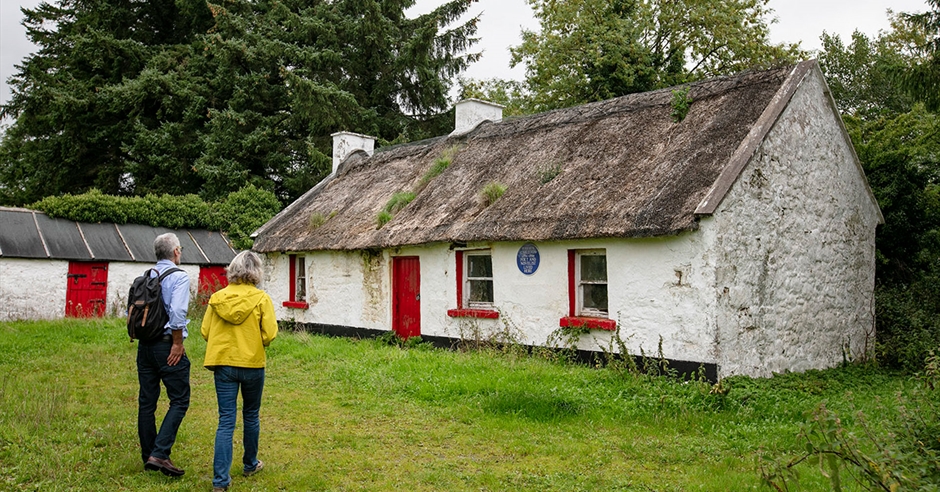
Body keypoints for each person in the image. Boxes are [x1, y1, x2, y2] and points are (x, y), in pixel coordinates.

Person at [201, 250, 278, 492]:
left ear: (232, 270)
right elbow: (270, 334)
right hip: (253, 363)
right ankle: (250, 463)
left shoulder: (216, 299)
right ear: (256, 272)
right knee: (251, 414)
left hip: (223, 363)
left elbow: (205, 331)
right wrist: (256, 340)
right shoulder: (261, 299)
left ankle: (220, 481)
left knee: (226, 420)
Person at [139, 232, 191, 477]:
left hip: (145, 346)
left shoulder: (147, 275)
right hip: (166, 344)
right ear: (176, 252)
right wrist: (177, 344)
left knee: (147, 402)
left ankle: (148, 454)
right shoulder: (179, 277)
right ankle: (159, 454)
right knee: (180, 399)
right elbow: (178, 313)